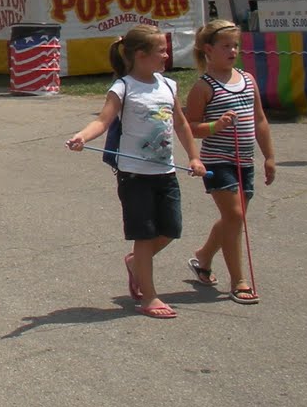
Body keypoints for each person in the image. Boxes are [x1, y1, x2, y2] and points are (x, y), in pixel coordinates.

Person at [65, 24, 207, 319]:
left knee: (170, 230)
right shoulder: (124, 87)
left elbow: (180, 124)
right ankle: (150, 296)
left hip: (165, 173)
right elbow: (103, 122)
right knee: (144, 235)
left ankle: (135, 264)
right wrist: (82, 136)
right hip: (134, 175)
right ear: (141, 55)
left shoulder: (168, 85)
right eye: (161, 51)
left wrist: (195, 157)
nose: (166, 55)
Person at [184, 20, 276, 304]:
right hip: (217, 161)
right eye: (226, 46)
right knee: (235, 217)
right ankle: (239, 280)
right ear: (209, 50)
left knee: (232, 219)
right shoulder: (203, 86)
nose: (233, 51)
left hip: (244, 160)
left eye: (235, 45)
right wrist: (217, 126)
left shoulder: (247, 80)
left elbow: (260, 120)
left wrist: (269, 156)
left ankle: (203, 257)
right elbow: (191, 127)